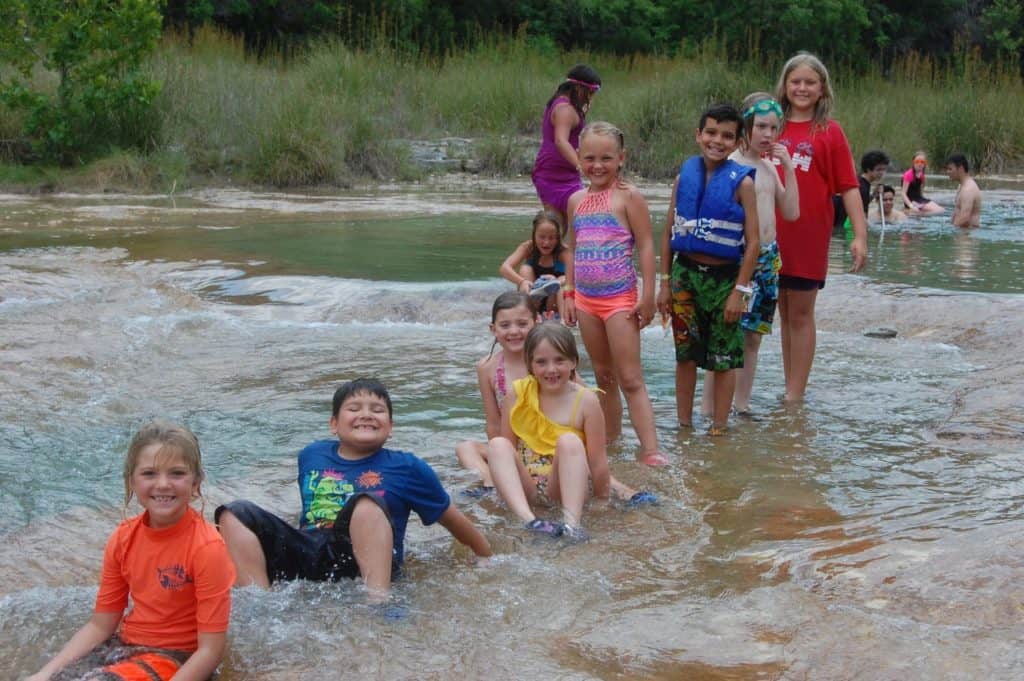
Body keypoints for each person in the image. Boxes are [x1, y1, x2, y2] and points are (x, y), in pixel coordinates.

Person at [217, 378, 492, 601]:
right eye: (354, 408)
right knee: (234, 513)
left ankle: (378, 602)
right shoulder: (311, 455)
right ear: (334, 424)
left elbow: (450, 517)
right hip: (313, 552)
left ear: (391, 427)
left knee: (366, 501)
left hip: (367, 563)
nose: (366, 415)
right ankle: (261, 603)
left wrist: (484, 555)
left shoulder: (407, 467)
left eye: (377, 409)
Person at [28, 421, 234, 681]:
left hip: (178, 658)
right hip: (126, 647)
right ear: (132, 482)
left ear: (196, 482)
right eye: (149, 474)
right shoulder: (123, 538)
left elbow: (210, 652)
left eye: (177, 473)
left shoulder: (207, 548)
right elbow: (100, 625)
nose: (163, 484)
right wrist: (43, 674)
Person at [487, 323, 655, 539]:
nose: (551, 369)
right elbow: (509, 450)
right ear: (529, 364)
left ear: (574, 361)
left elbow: (598, 462)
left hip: (565, 486)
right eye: (541, 362)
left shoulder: (586, 400)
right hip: (528, 485)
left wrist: (602, 500)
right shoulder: (517, 394)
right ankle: (530, 521)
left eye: (559, 360)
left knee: (569, 441)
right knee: (498, 444)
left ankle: (571, 525)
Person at [563, 121, 667, 466]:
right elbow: (573, 250)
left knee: (630, 378)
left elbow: (646, 244)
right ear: (579, 158)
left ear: (621, 158)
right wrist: (569, 291)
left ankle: (651, 449)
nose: (597, 165)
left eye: (606, 158)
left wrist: (648, 294)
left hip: (620, 299)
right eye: (590, 157)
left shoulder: (629, 197)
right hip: (587, 302)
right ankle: (610, 440)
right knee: (603, 376)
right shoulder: (576, 200)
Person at [657, 103, 760, 434]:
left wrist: (739, 293)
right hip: (685, 274)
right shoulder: (682, 178)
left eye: (727, 136)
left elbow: (754, 243)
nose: (718, 141)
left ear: (738, 142)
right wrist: (664, 283)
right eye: (711, 133)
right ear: (698, 135)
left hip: (725, 281)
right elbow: (668, 231)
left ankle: (718, 429)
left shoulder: (743, 183)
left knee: (723, 359)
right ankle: (683, 425)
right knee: (685, 354)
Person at [773, 52, 868, 403]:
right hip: (769, 235)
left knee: (800, 313)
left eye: (809, 82)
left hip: (808, 234)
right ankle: (789, 385)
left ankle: (796, 395)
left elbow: (849, 186)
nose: (801, 88)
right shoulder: (772, 125)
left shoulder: (830, 131)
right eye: (795, 81)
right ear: (784, 86)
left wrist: (859, 236)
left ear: (822, 88)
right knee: (783, 313)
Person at [700, 94, 799, 417]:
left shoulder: (769, 166)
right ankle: (708, 405)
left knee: (753, 338)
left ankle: (741, 403)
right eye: (761, 127)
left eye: (774, 128)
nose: (768, 135)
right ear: (746, 127)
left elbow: (792, 212)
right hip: (738, 258)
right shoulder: (733, 167)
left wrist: (788, 166)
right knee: (724, 336)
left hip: (768, 260)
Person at [455, 291, 536, 494]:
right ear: (493, 329)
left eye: (522, 324)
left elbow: (579, 398)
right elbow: (493, 422)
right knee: (465, 448)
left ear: (537, 322)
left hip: (546, 444)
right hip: (511, 448)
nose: (514, 331)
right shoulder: (487, 367)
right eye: (505, 325)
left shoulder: (548, 361)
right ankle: (491, 482)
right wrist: (502, 457)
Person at [531, 64, 602, 226]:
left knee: (571, 225)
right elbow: (561, 141)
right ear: (578, 88)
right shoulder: (565, 110)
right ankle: (529, 251)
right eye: (590, 92)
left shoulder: (563, 104)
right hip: (552, 175)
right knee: (555, 228)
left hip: (566, 175)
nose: (591, 97)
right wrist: (580, 165)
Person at [499, 210, 570, 319]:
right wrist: (521, 281)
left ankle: (561, 320)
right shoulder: (529, 247)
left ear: (558, 237)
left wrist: (559, 280)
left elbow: (580, 275)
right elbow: (504, 268)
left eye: (552, 238)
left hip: (555, 301)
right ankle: (531, 313)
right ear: (534, 234)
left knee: (563, 280)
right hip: (533, 293)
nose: (546, 242)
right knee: (525, 269)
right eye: (542, 237)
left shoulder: (563, 251)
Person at [834, 149, 891, 227]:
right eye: (879, 169)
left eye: (884, 169)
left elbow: (858, 204)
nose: (882, 173)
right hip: (844, 228)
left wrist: (874, 195)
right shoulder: (862, 188)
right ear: (868, 169)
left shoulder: (859, 181)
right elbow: (862, 220)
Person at [900, 150, 945, 215]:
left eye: (922, 162)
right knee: (937, 211)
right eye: (917, 161)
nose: (919, 164)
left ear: (925, 164)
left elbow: (920, 193)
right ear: (913, 162)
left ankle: (918, 213)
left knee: (942, 210)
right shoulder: (908, 174)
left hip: (919, 200)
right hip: (912, 202)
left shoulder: (922, 176)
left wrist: (925, 202)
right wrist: (911, 206)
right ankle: (908, 211)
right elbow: (903, 193)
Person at [945, 153, 981, 228]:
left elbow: (965, 218)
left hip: (967, 235)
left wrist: (949, 229)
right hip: (961, 231)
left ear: (960, 168)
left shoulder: (968, 190)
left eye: (950, 169)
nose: (947, 172)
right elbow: (957, 212)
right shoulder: (961, 186)